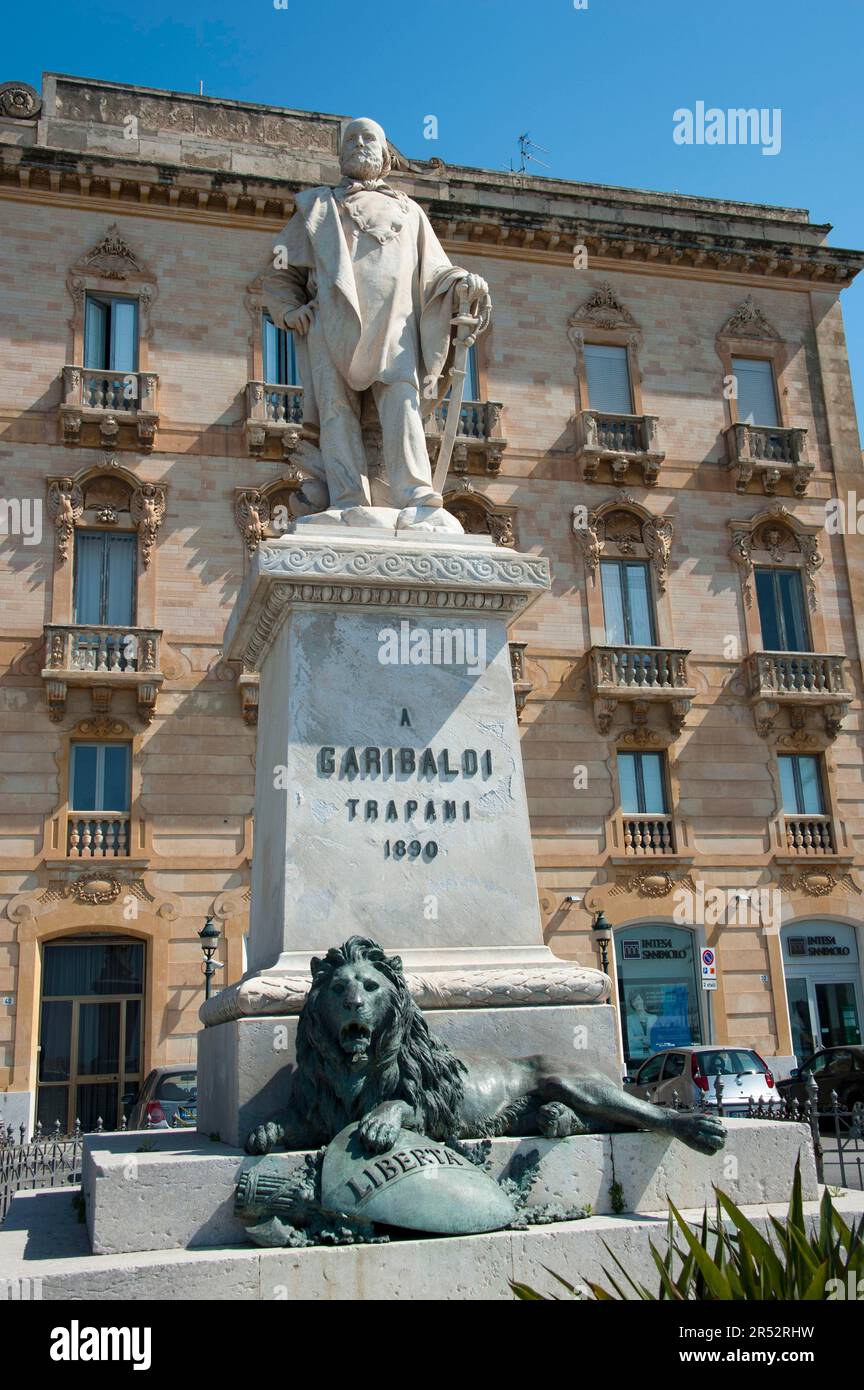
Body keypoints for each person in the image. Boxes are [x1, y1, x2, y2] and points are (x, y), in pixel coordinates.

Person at [262, 117, 490, 526]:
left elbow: (436, 272)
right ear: (340, 154)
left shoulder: (411, 212)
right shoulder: (317, 206)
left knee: (401, 402)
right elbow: (279, 270)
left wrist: (462, 285)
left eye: (369, 139)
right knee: (336, 411)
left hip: (396, 325)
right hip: (331, 324)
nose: (359, 145)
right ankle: (347, 499)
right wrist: (291, 310)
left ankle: (415, 492)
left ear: (385, 154)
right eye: (351, 139)